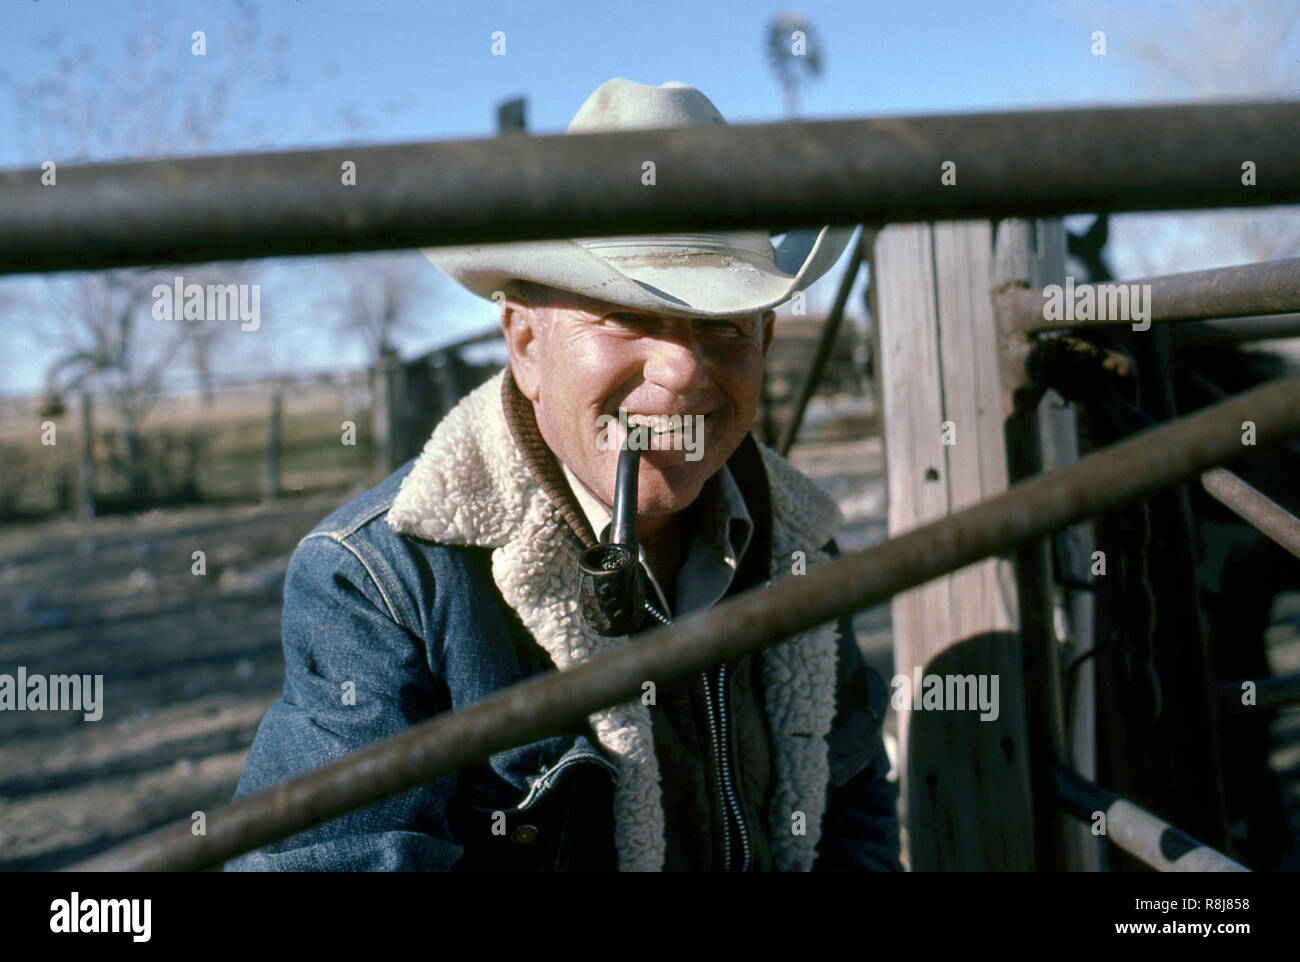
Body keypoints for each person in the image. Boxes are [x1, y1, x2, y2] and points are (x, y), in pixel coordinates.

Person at [226, 78, 901, 872]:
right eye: (627, 316)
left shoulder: (800, 547)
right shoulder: (385, 585)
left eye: (723, 324)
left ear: (768, 338)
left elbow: (850, 802)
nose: (682, 369)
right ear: (525, 342)